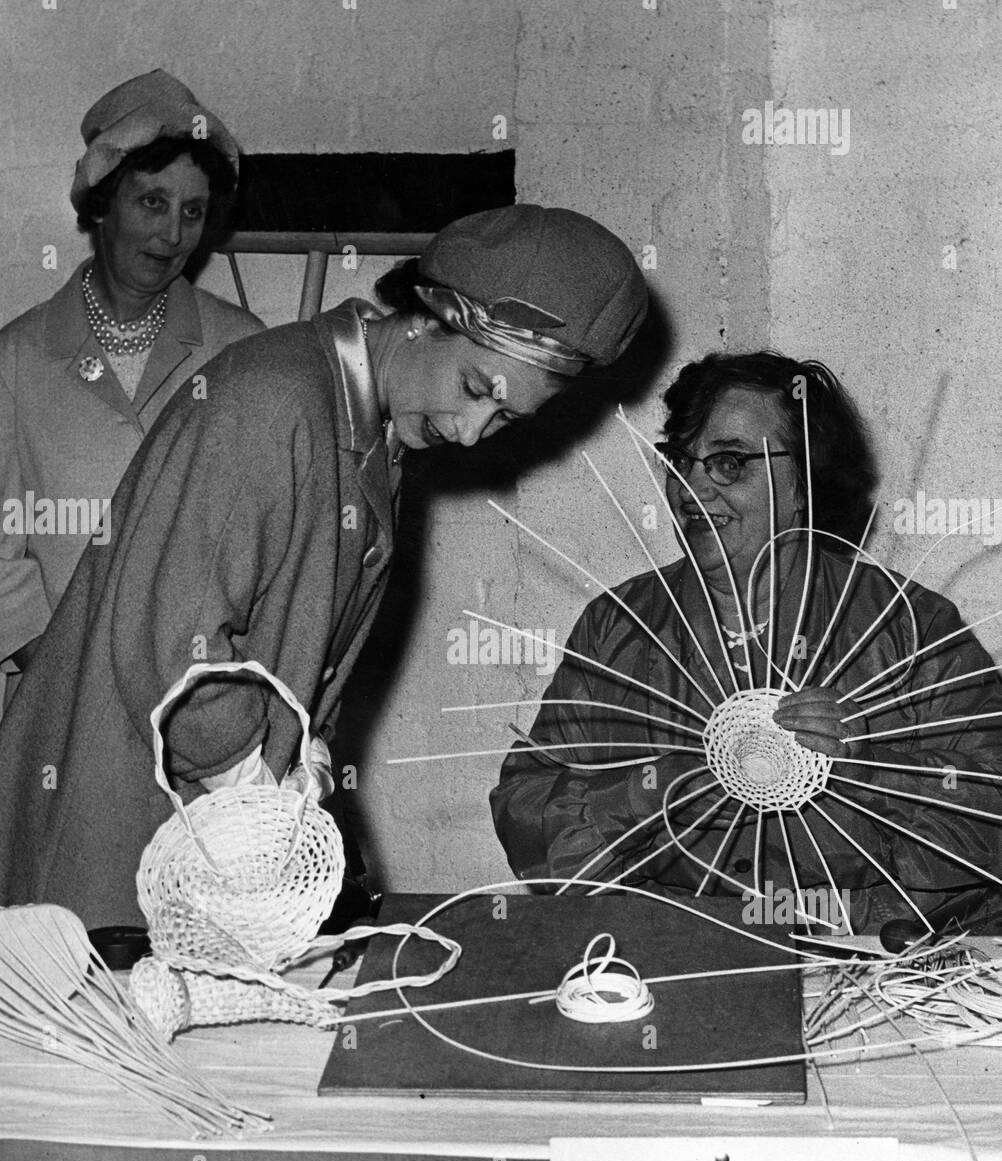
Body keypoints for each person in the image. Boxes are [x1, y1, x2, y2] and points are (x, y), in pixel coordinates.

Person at [0, 203, 648, 929]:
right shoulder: (273, 399)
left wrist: (302, 754)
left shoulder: (365, 423)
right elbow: (169, 639)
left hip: (194, 821)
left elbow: (289, 638)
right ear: (428, 315)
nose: (470, 436)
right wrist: (253, 787)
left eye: (505, 420)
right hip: (113, 821)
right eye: (474, 389)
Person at [491, 351, 1002, 930]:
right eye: (680, 460)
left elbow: (992, 812)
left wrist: (868, 769)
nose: (691, 489)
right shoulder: (619, 625)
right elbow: (524, 815)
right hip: (678, 946)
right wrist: (645, 790)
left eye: (730, 463)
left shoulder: (910, 627)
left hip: (874, 949)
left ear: (806, 481)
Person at [0, 70, 264, 699]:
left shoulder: (241, 346)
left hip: (201, 695)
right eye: (152, 202)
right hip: (53, 690)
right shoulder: (15, 358)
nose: (173, 235)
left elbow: (262, 527)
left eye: (192, 211)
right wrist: (62, 665)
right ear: (100, 204)